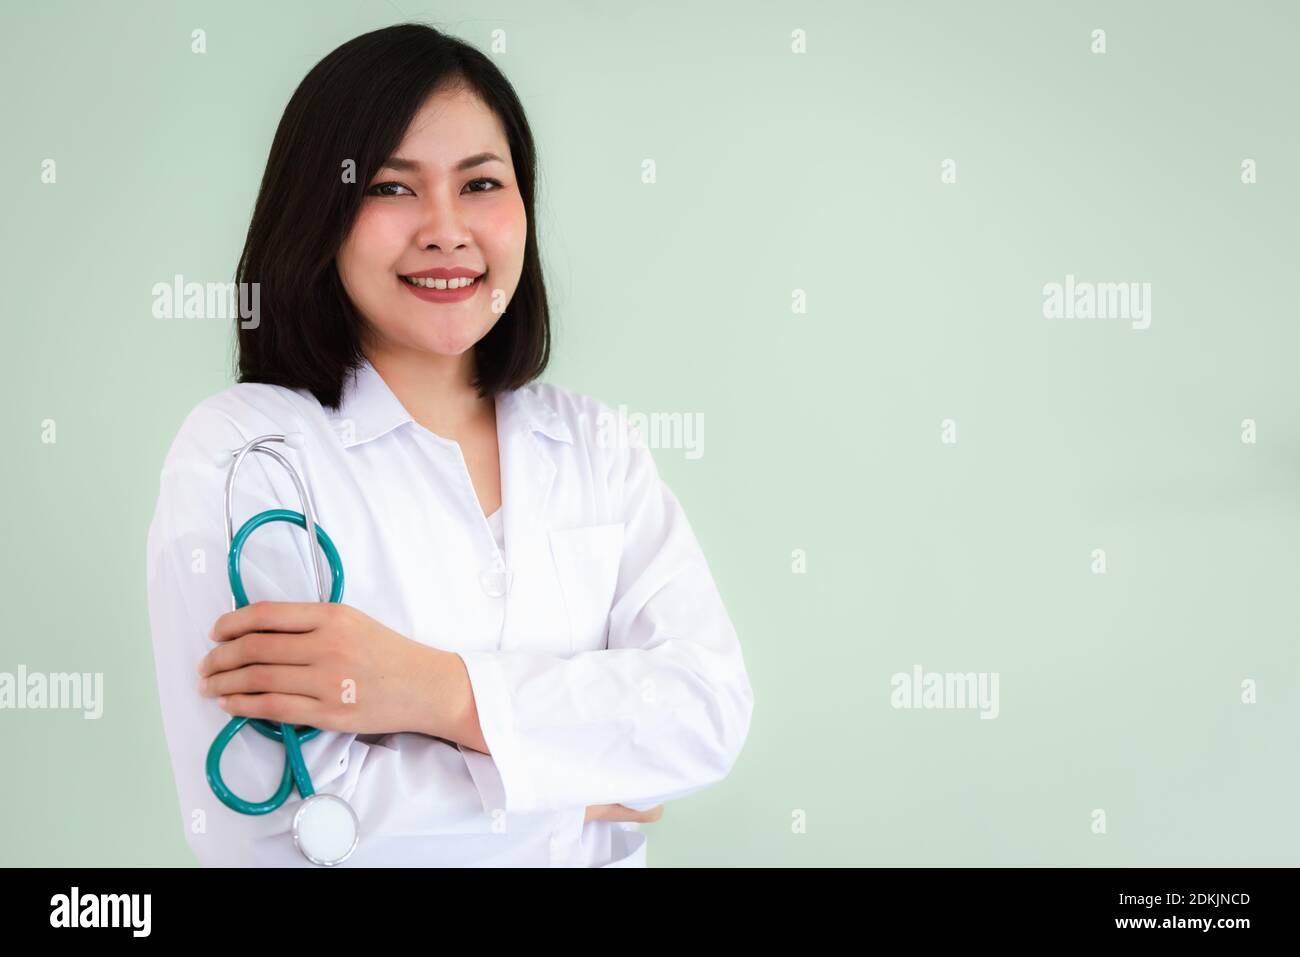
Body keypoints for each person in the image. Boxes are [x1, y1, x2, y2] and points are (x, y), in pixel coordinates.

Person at [144, 22, 754, 867]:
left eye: (481, 185)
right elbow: (284, 830)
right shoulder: (245, 452)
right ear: (319, 212)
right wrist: (578, 782)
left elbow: (707, 711)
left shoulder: (595, 445)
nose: (444, 229)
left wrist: (428, 688)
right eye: (392, 190)